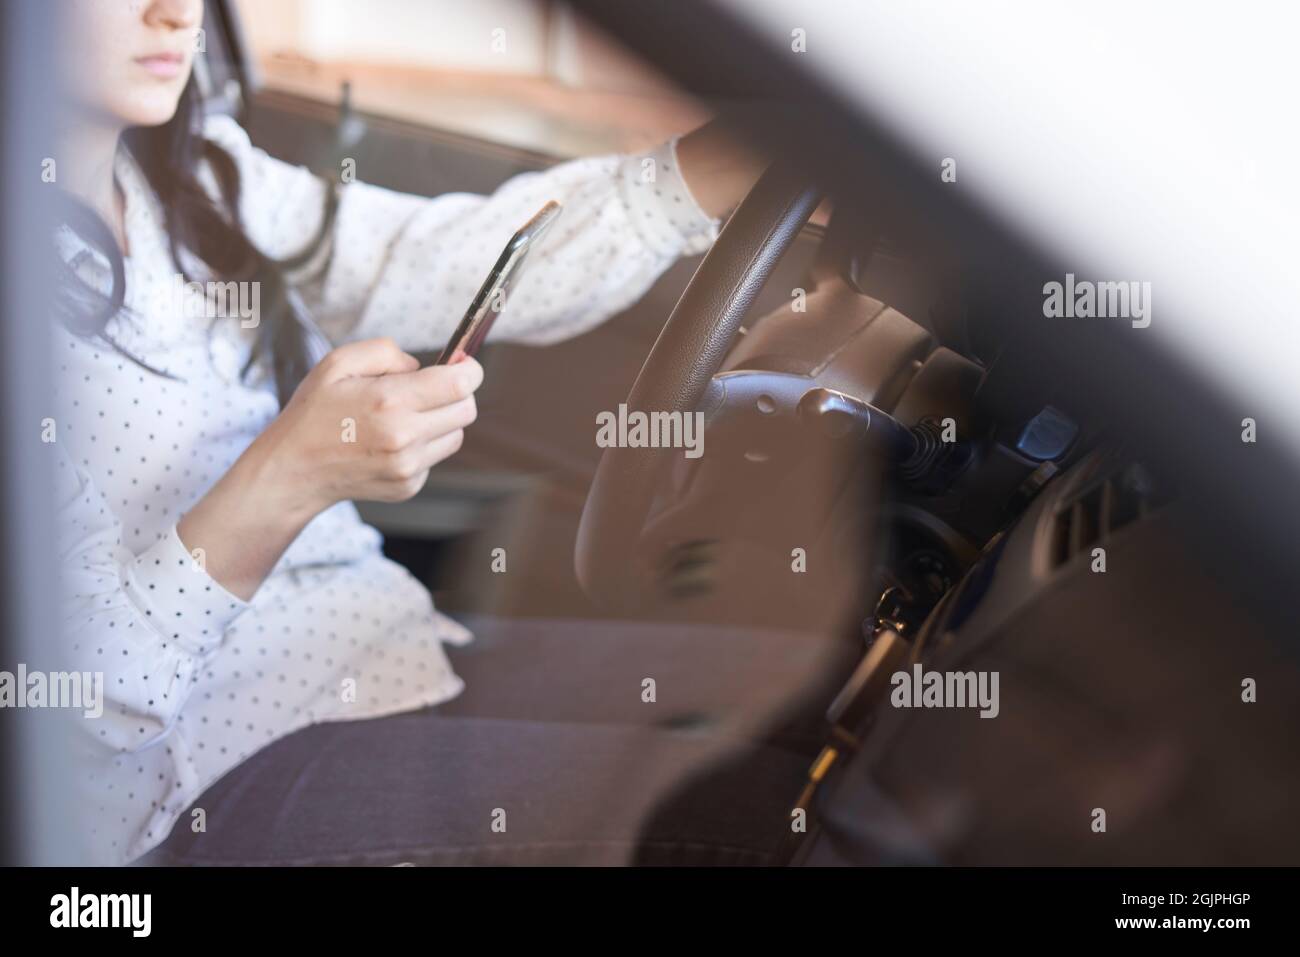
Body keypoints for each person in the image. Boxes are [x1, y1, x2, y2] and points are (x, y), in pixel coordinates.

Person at [52, 0, 843, 865]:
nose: (174, 13)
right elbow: (85, 706)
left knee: (821, 695)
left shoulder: (193, 181)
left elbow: (429, 258)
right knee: (760, 809)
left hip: (384, 652)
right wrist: (290, 476)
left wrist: (732, 159)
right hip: (202, 783)